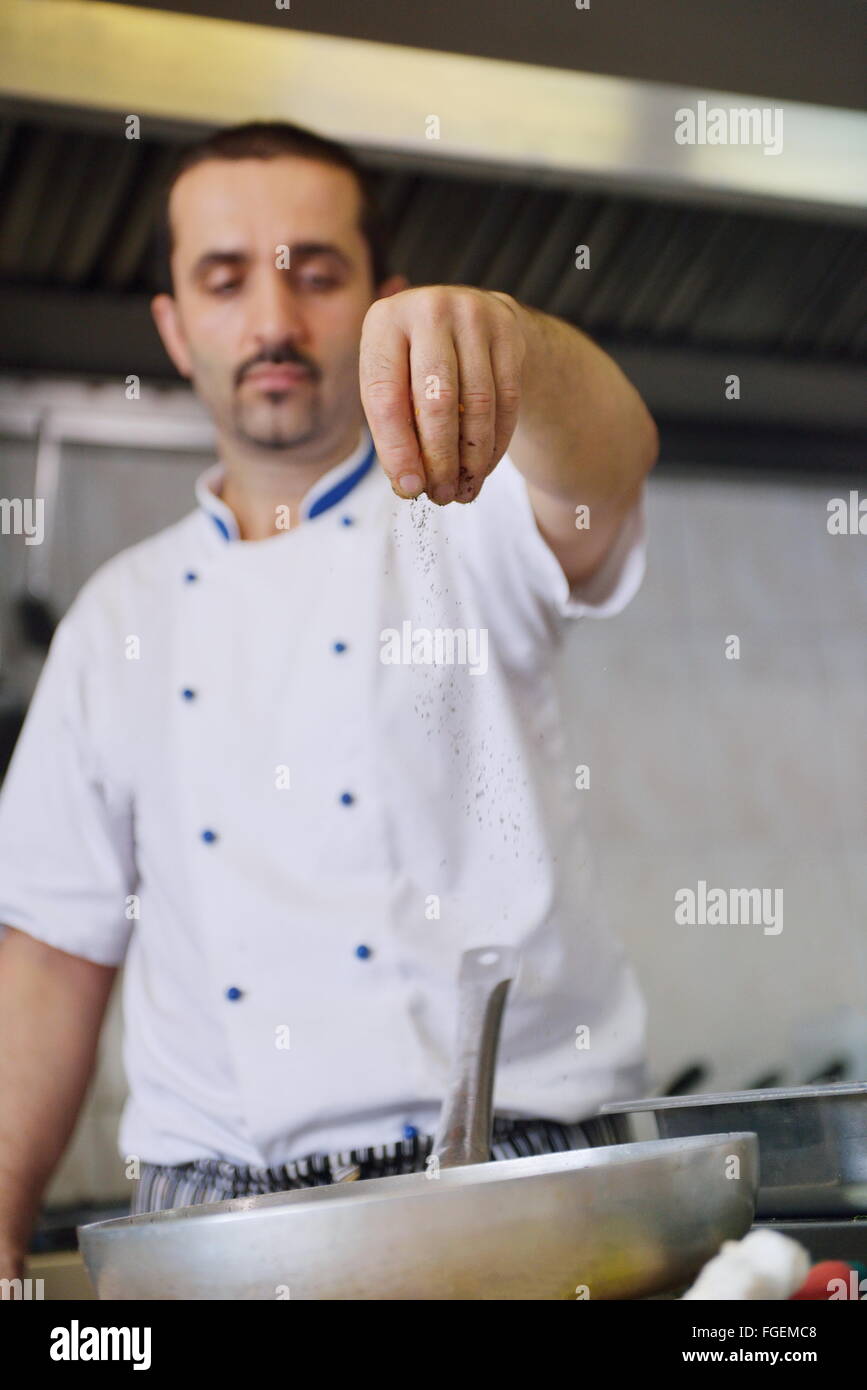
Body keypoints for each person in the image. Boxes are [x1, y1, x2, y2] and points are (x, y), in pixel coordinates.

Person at [0, 120, 658, 1272]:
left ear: (385, 302)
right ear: (173, 324)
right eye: (225, 277)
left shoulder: (478, 514)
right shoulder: (116, 620)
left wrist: (522, 347)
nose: (273, 320)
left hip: (522, 1176)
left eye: (317, 273)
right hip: (215, 1222)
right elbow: (51, 959)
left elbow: (610, 460)